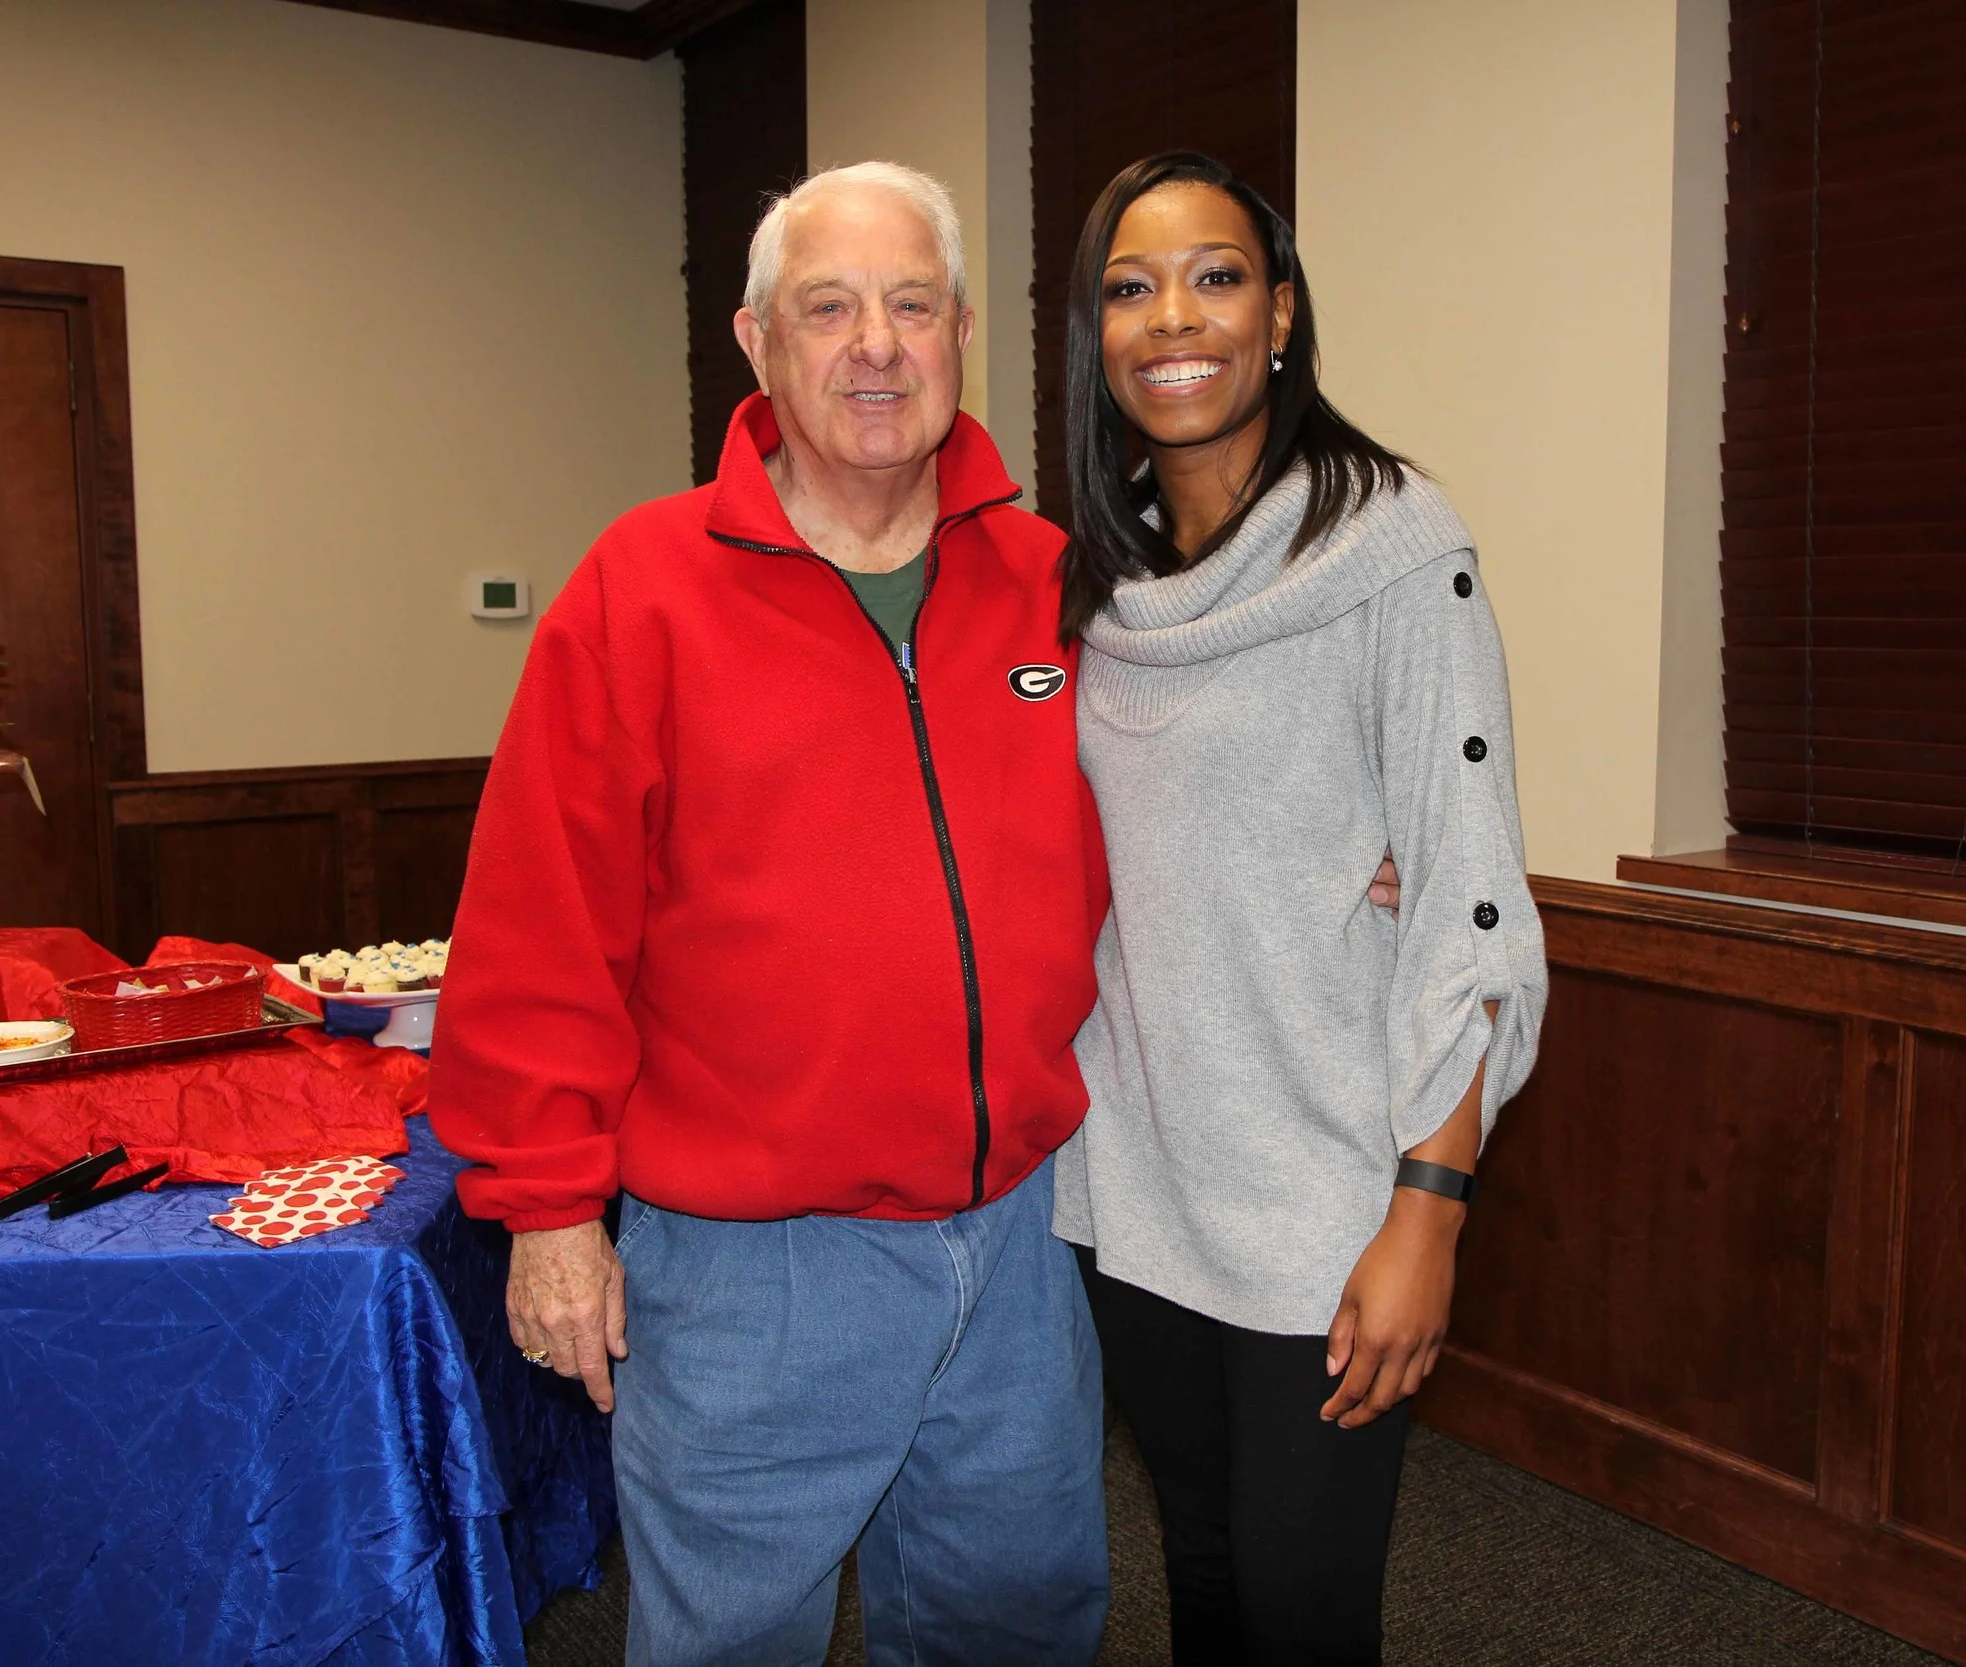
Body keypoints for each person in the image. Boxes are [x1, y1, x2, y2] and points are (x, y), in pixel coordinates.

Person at [429, 162, 1113, 1666]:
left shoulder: (1052, 584)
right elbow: (543, 922)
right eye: (830, 307)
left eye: (912, 305)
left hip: (1013, 1248)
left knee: (1021, 1626)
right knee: (729, 1641)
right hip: (752, 1268)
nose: (876, 343)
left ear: (959, 339)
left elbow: (1174, 815)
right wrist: (547, 1206)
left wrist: (1342, 865)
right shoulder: (642, 591)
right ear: (757, 343)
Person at [1053, 151, 1551, 1664]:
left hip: (1329, 1208)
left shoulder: (1394, 546)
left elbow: (1469, 900)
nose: (1173, 318)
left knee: (1303, 1609)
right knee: (1199, 1577)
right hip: (1131, 1188)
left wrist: (1430, 1211)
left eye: (1215, 275)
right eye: (1129, 289)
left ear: (1280, 313)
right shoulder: (1089, 589)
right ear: (1097, 337)